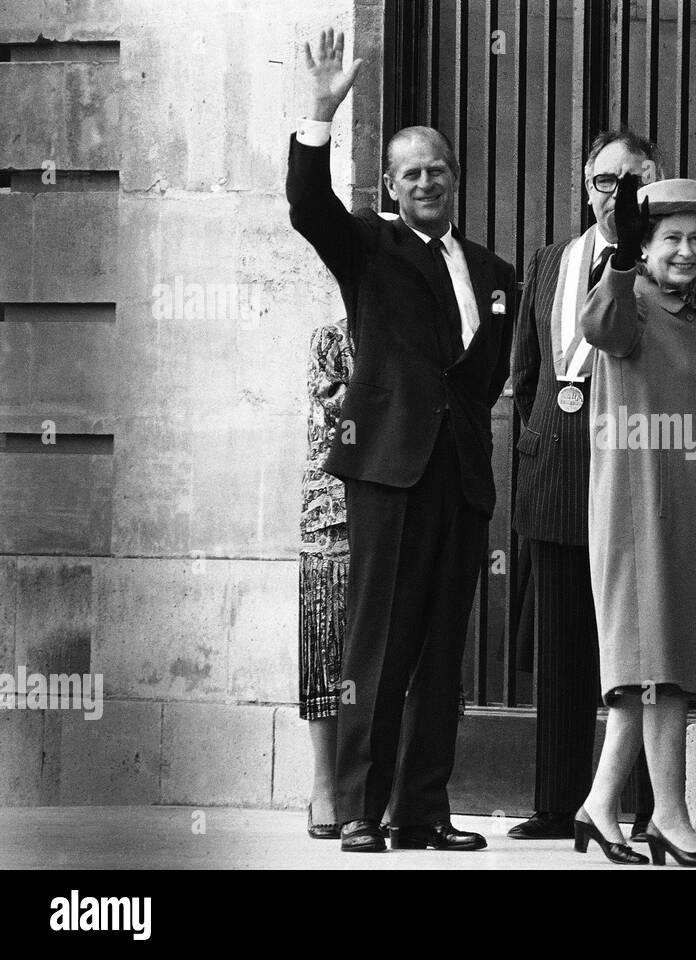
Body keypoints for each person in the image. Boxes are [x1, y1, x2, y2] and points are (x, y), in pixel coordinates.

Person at [287, 28, 515, 853]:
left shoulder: (495, 273)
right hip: (388, 473)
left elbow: (483, 379)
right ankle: (357, 807)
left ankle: (421, 810)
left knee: (443, 652)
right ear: (390, 184)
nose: (427, 180)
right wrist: (320, 114)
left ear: (456, 179)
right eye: (411, 171)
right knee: (375, 647)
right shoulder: (368, 247)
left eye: (439, 169)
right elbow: (307, 207)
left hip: (460, 480)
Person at [508, 128, 696, 842]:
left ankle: (653, 808)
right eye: (603, 182)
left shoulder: (673, 272)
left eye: (630, 183)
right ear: (585, 187)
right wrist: (532, 443)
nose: (613, 196)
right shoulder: (551, 260)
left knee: (644, 638)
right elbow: (526, 369)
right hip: (561, 460)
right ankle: (559, 801)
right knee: (566, 640)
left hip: (643, 467)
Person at [575, 176, 696, 867]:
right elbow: (598, 326)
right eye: (670, 239)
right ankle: (670, 818)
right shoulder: (630, 302)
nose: (686, 251)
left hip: (693, 504)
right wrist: (621, 260)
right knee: (656, 663)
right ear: (645, 246)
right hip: (639, 505)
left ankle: (601, 805)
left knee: (662, 661)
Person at [299, 318, 353, 840]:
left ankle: (390, 789)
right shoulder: (333, 337)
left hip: (407, 507)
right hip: (333, 510)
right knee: (326, 646)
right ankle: (325, 788)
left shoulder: (427, 328)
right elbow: (333, 412)